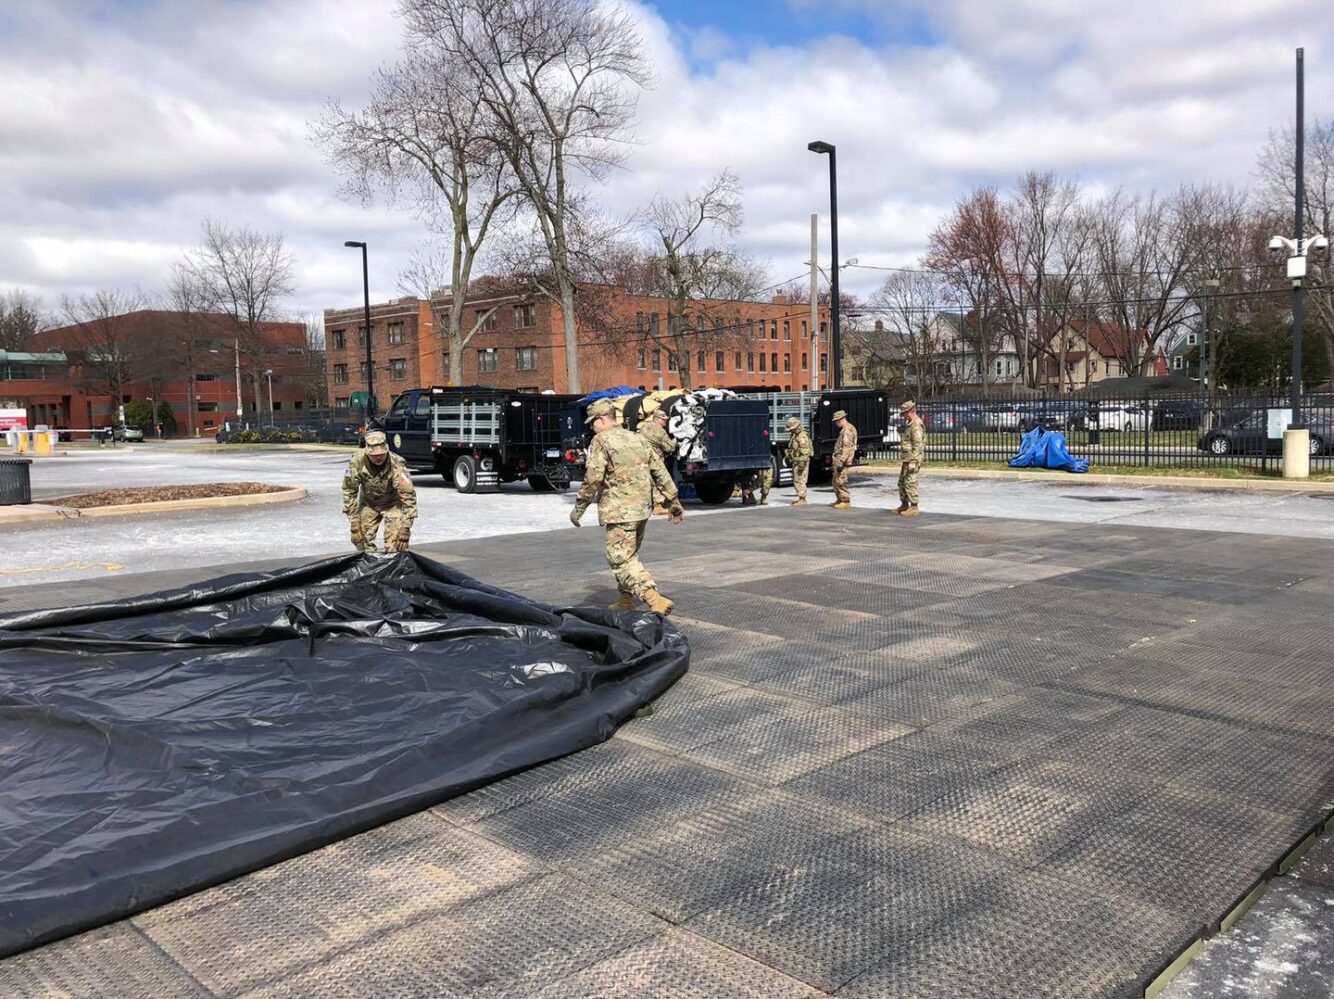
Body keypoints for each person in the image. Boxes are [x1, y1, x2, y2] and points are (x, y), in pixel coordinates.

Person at [571, 399, 684, 615]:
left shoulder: (601, 441)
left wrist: (579, 507)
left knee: (619, 557)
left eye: (592, 422)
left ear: (602, 419)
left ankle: (653, 598)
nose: (591, 427)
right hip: (641, 509)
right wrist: (673, 500)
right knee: (629, 555)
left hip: (619, 510)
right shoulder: (637, 439)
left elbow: (592, 478)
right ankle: (625, 599)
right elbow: (659, 471)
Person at [342, 429, 418, 553]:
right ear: (367, 452)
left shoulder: (397, 463)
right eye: (374, 455)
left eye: (381, 454)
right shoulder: (357, 461)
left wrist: (406, 527)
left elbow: (409, 497)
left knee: (397, 544)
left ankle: (394, 568)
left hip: (392, 504)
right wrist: (354, 522)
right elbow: (349, 491)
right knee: (360, 539)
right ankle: (369, 566)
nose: (379, 458)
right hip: (369, 504)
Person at [636, 407, 676, 516]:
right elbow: (670, 448)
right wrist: (676, 439)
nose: (666, 422)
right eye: (664, 420)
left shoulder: (644, 427)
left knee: (646, 482)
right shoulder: (660, 431)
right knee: (658, 481)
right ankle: (658, 506)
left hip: (641, 459)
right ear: (657, 419)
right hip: (655, 460)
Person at [896, 400, 926, 517]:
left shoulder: (916, 425)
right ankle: (904, 505)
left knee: (910, 482)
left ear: (909, 412)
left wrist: (913, 461)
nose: (903, 416)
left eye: (904, 413)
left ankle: (914, 507)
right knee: (902, 482)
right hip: (907, 459)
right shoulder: (911, 423)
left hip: (912, 459)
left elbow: (917, 445)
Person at [831, 409, 857, 509]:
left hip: (843, 461)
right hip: (839, 459)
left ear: (841, 419)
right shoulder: (845, 429)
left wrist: (841, 461)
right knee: (836, 480)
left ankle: (845, 500)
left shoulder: (847, 430)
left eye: (836, 421)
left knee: (841, 480)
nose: (835, 423)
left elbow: (846, 448)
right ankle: (839, 498)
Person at [784, 415, 813, 505]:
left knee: (800, 479)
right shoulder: (795, 435)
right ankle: (801, 497)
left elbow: (805, 452)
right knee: (798, 479)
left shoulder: (801, 436)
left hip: (801, 461)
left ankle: (802, 498)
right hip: (797, 460)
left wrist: (801, 465)